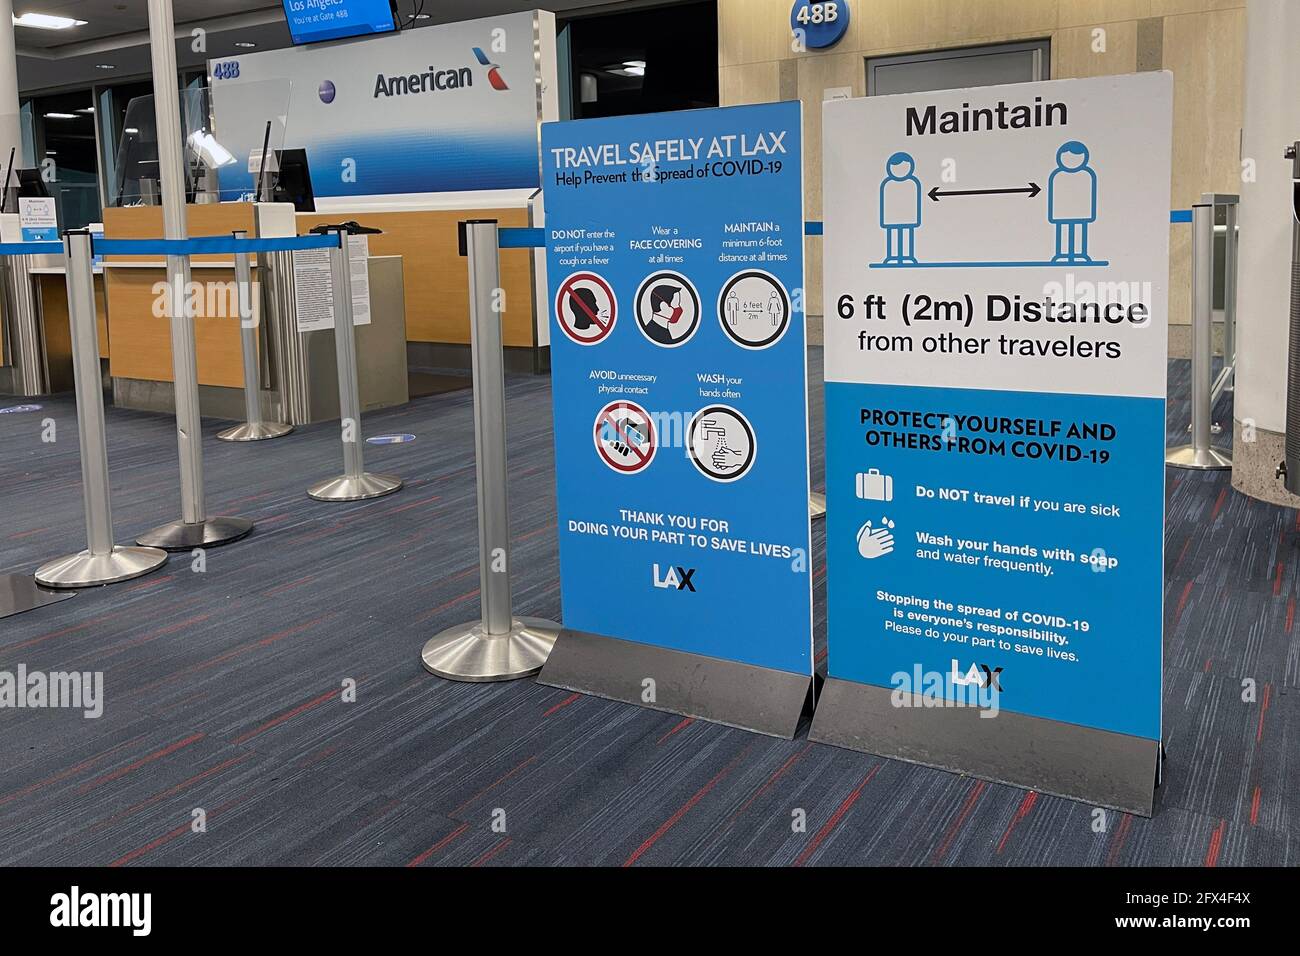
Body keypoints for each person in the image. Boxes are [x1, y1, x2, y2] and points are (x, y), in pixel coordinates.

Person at [1048, 141, 1097, 263]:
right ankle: (1061, 254)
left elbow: (1087, 194)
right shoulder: (1057, 175)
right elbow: (1055, 194)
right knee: (1062, 233)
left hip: (1081, 211)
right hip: (1061, 211)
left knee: (1081, 233)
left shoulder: (1087, 174)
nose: (1071, 162)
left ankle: (1081, 254)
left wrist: (1089, 214)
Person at [879, 151, 922, 264]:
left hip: (909, 216)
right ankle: (891, 256)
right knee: (892, 236)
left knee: (908, 236)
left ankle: (908, 256)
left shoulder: (912, 183)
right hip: (891, 217)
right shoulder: (887, 184)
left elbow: (914, 201)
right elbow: (885, 202)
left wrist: (916, 219)